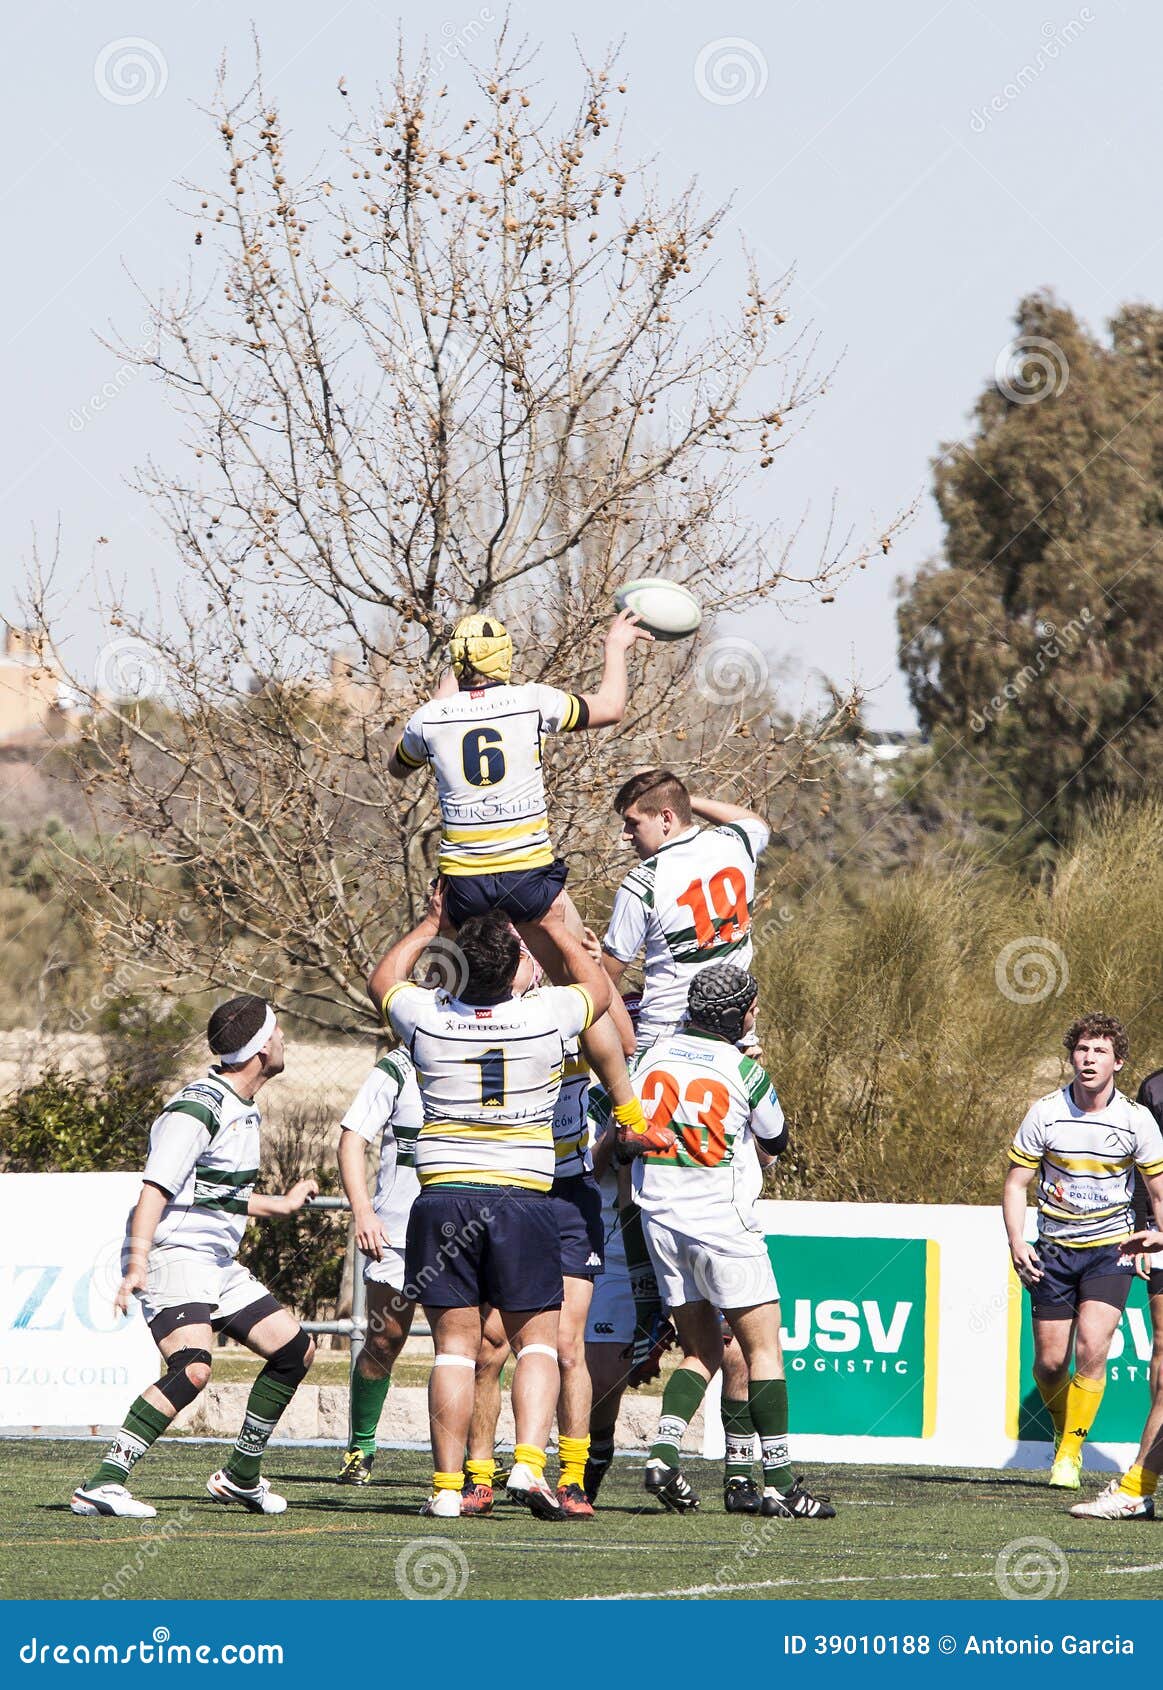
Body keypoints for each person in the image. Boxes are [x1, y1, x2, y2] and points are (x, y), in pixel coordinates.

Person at [367, 892, 614, 1520]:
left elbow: (383, 979)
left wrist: (431, 921)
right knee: (536, 1342)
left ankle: (448, 1489)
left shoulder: (426, 1018)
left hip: (443, 1199)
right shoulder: (549, 1015)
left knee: (454, 1348)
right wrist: (555, 923)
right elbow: (599, 991)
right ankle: (530, 1467)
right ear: (514, 972)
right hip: (522, 1199)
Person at [387, 609, 658, 1152]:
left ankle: (458, 1119)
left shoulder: (429, 719)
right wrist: (615, 645)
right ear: (506, 661)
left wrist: (445, 698)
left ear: (456, 665)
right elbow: (611, 707)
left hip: (463, 886)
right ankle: (629, 1114)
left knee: (451, 1003)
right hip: (527, 878)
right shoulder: (532, 700)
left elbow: (398, 766)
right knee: (586, 994)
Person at [70, 996, 318, 1519]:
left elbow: (208, 1191)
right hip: (173, 1254)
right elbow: (155, 1193)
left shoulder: (239, 1104)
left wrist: (279, 1204)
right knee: (194, 1369)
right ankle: (103, 1483)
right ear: (261, 1048)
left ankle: (239, 1477)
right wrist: (137, 1263)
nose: (284, 1040)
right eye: (279, 1032)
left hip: (214, 1263)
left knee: (295, 1350)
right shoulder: (198, 1108)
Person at [633, 964, 834, 1520]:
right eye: (753, 1007)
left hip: (660, 1221)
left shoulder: (648, 1055)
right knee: (763, 1351)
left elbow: (618, 1122)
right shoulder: (745, 1069)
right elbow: (777, 1141)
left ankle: (663, 1453)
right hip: (722, 1225)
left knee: (700, 1351)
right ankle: (784, 1485)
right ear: (738, 1015)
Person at [462, 936, 638, 1519]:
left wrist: (586, 958)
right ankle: (479, 1476)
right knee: (490, 1346)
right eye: (513, 952)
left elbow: (625, 1043)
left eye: (529, 951)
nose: (522, 960)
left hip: (571, 1196)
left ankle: (572, 1477)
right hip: (512, 1189)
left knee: (567, 1346)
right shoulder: (483, 1019)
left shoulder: (565, 1008)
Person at [1004, 1012, 1163, 1491]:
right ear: (1071, 1057)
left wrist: (1159, 1234)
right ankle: (1061, 1427)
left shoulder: (1137, 1119)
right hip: (1053, 1249)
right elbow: (1015, 1183)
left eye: (1100, 1051)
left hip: (1109, 1251)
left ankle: (1069, 1453)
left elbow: (1158, 1191)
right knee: (1050, 1364)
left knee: (1094, 1349)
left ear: (1118, 1062)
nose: (1089, 1059)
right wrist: (1016, 1240)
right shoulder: (1045, 1113)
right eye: (1082, 1050)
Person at [601, 771, 771, 1052]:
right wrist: (682, 799)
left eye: (633, 823)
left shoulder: (643, 881)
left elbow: (605, 980)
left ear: (666, 818)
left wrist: (627, 1045)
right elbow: (755, 822)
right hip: (733, 1030)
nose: (626, 835)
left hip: (667, 1036)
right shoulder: (737, 844)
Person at [1069, 1063, 1163, 1519]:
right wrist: (1152, 1229)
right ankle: (1136, 1487)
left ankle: (1135, 1487)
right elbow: (1147, 1171)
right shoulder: (1156, 1088)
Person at [334, 1045, 423, 1485]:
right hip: (398, 1233)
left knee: (475, 1347)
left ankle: (475, 1462)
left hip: (469, 1227)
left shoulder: (492, 1045)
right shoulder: (398, 1066)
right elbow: (352, 1140)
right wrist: (363, 1211)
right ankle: (361, 1446)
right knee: (384, 1339)